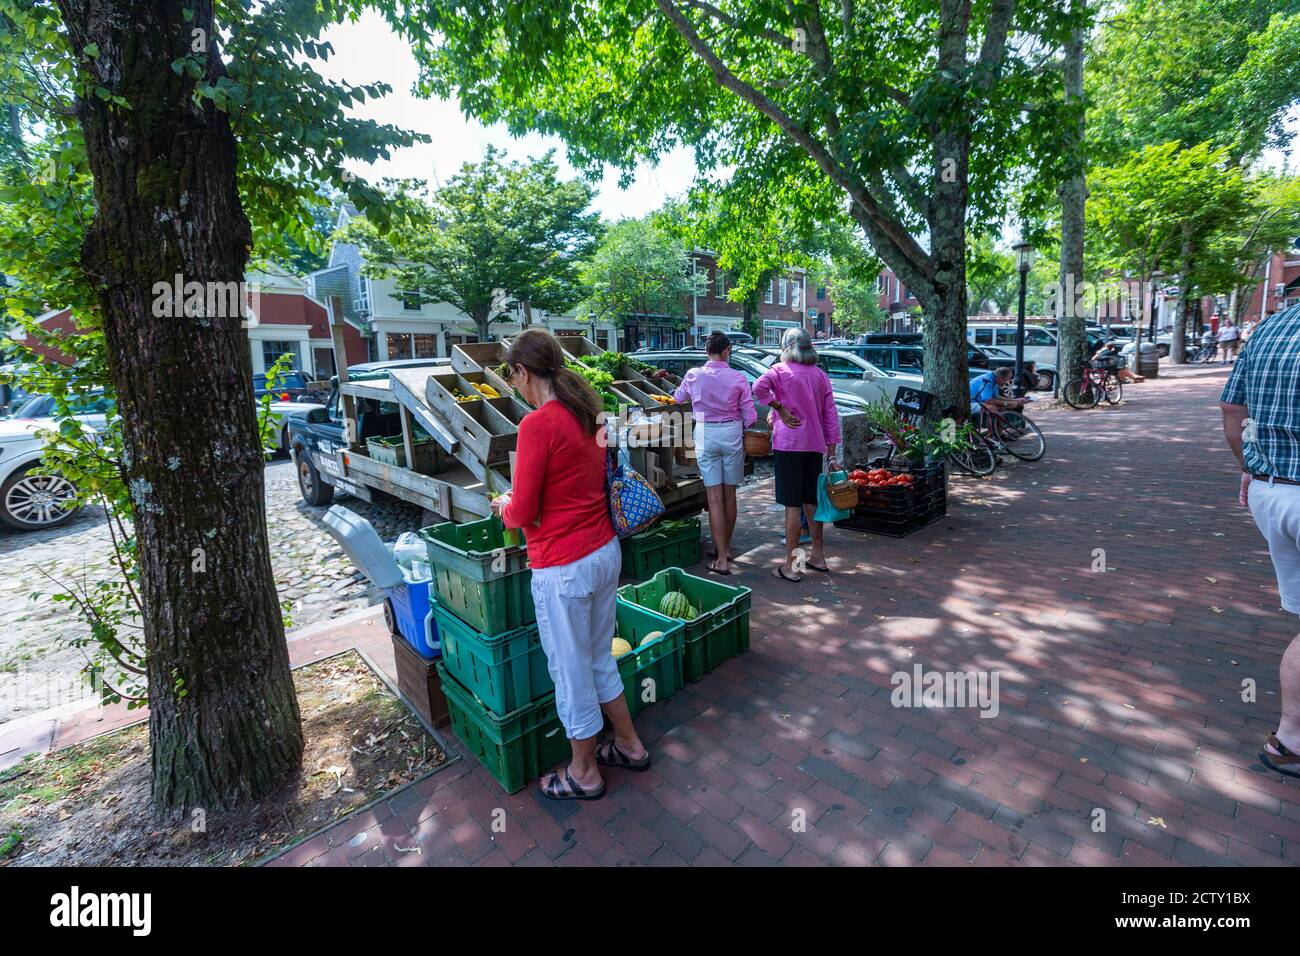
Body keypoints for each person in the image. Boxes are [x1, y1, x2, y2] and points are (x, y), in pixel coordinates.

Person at [490, 329, 648, 800]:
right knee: (599, 659)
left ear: (522, 371)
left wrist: (505, 505)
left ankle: (584, 771)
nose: (513, 383)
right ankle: (628, 745)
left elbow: (522, 512)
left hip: (564, 565)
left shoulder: (537, 425)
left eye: (512, 375)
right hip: (604, 552)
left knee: (571, 670)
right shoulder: (587, 413)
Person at [1220, 303, 1300, 779]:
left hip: (1271, 491)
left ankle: (1290, 740)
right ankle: (1288, 739)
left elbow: (1233, 407)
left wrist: (1250, 467)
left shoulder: (1270, 327)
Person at [753, 327, 841, 583]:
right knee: (811, 502)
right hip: (814, 445)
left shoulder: (780, 371)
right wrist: (832, 451)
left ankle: (791, 566)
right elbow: (830, 415)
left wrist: (779, 408)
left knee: (792, 506)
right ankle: (818, 556)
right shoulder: (820, 375)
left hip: (789, 445)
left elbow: (757, 388)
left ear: (786, 346)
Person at [673, 331, 756, 574]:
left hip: (706, 434)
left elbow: (678, 398)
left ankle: (720, 558)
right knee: (730, 496)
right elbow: (750, 417)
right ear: (727, 351)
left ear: (707, 351)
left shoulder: (694, 375)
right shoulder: (739, 378)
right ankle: (726, 549)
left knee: (714, 499)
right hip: (731, 434)